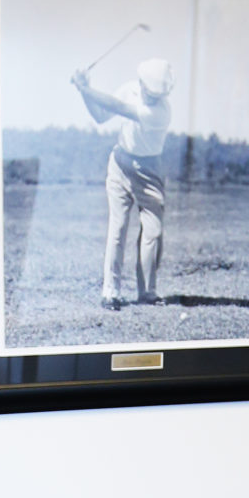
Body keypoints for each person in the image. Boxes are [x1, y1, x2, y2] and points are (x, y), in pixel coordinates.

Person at [71, 56, 175, 309]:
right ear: (141, 82)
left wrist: (85, 87)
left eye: (156, 95)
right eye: (149, 93)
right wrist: (84, 92)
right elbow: (100, 116)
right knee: (117, 229)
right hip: (120, 164)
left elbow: (119, 107)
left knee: (153, 232)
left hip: (150, 172)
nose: (152, 98)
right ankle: (111, 292)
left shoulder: (160, 111)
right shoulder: (129, 88)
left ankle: (147, 292)